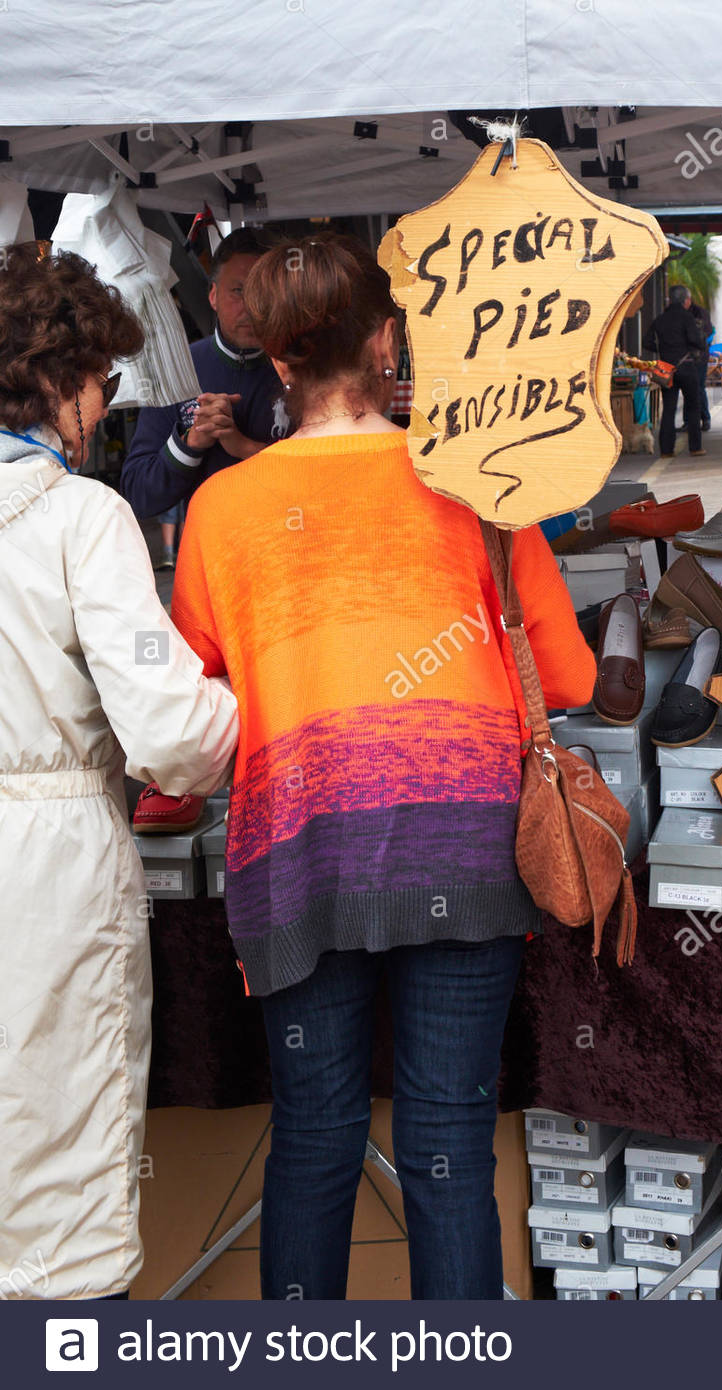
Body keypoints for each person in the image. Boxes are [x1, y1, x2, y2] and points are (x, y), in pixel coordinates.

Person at [170, 232, 596, 1300]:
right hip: (463, 838)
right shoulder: (475, 487)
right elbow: (572, 676)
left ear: (274, 362)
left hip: (300, 850)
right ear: (386, 339)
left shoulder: (222, 508)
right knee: (448, 1142)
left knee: (312, 1137)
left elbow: (187, 704)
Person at [0, 244, 239, 1300]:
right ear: (56, 380)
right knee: (58, 1162)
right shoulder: (81, 520)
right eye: (100, 380)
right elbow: (173, 731)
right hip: (45, 865)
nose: (103, 406)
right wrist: (248, 712)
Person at [120, 227, 290, 562]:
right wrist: (189, 443)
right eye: (238, 291)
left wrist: (245, 447)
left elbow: (322, 478)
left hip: (288, 560)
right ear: (212, 295)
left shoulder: (301, 369)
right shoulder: (177, 369)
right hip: (209, 567)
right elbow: (139, 495)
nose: (252, 307)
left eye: (263, 291)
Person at [645, 285, 705, 458]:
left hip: (666, 370)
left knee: (669, 409)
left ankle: (666, 450)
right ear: (685, 301)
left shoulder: (660, 319)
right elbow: (696, 341)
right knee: (693, 406)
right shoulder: (688, 318)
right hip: (686, 366)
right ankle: (695, 447)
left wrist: (661, 349)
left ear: (670, 300)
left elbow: (646, 342)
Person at [689, 298, 713, 431]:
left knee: (698, 387)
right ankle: (697, 420)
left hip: (699, 357)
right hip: (695, 356)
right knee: (696, 388)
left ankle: (704, 418)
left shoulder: (698, 314)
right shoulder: (697, 312)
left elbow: (708, 333)